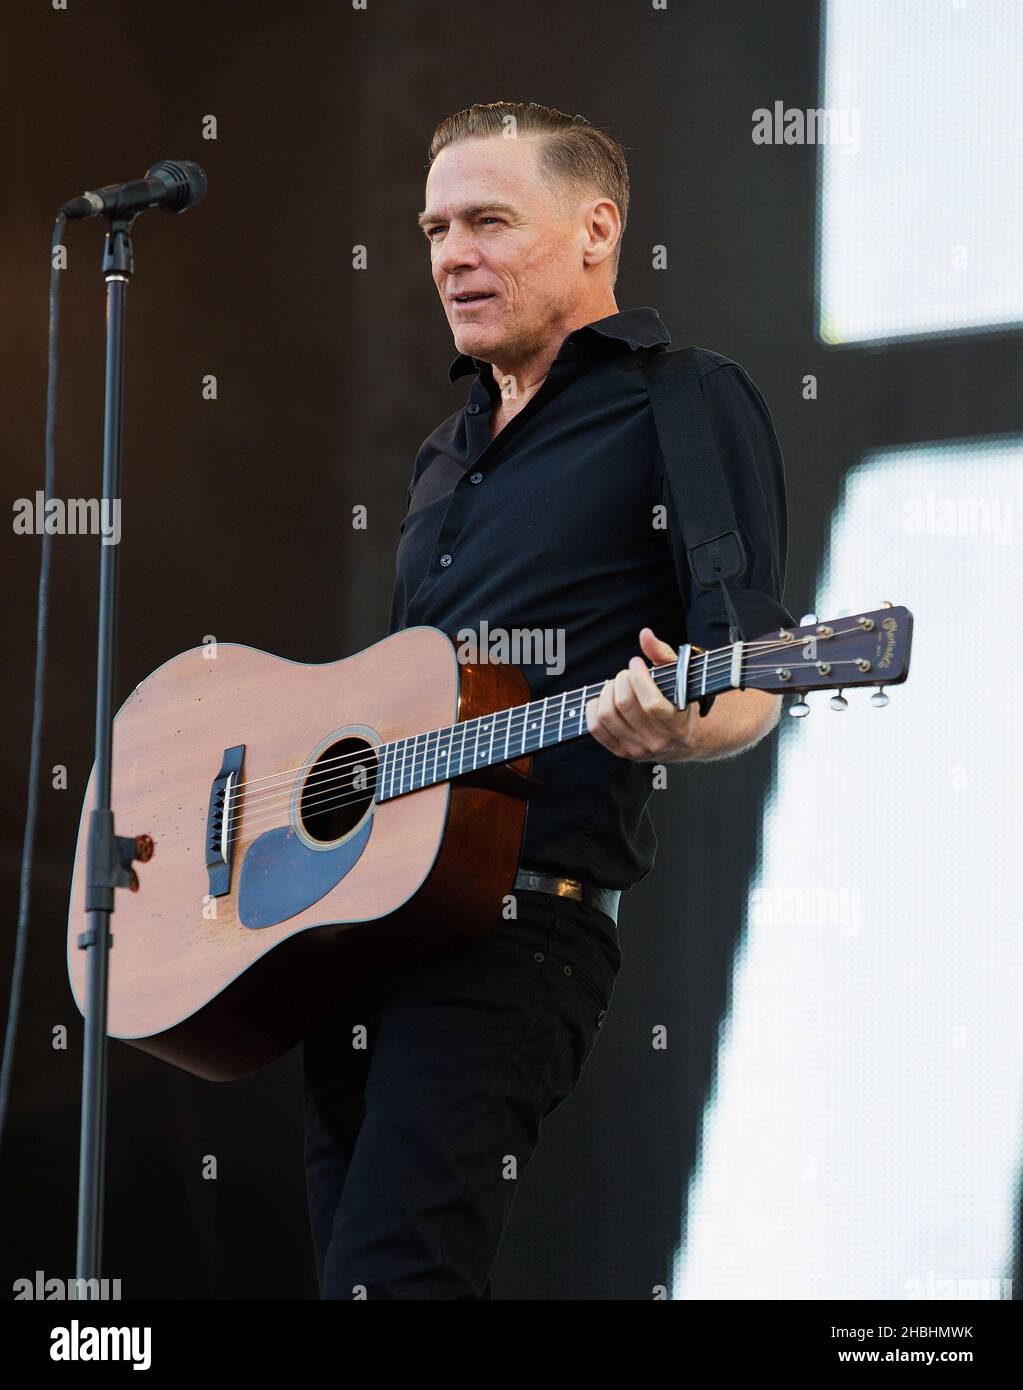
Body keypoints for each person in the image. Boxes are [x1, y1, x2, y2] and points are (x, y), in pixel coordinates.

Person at [302, 100, 792, 1299]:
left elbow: (759, 670)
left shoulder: (682, 397)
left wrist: (686, 722)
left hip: (515, 924)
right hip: (366, 923)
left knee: (397, 1271)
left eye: (486, 221)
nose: (450, 254)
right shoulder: (441, 454)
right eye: (433, 228)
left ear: (595, 230)